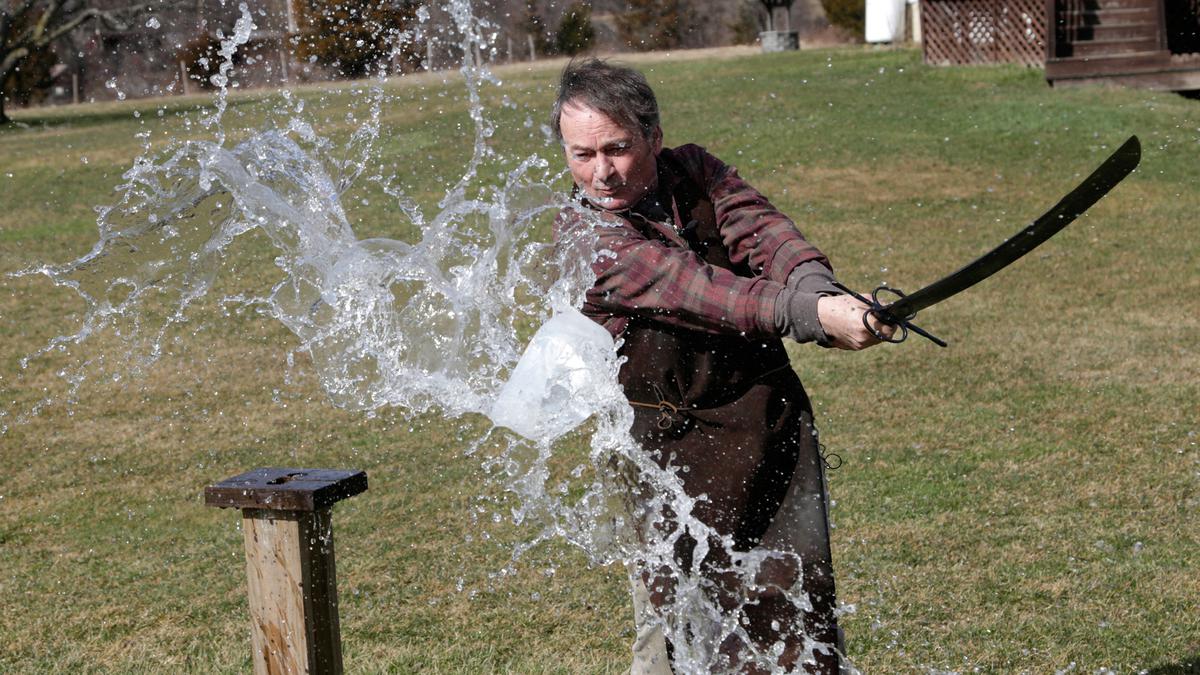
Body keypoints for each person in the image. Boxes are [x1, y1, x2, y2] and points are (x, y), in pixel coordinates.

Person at [551, 58, 894, 674]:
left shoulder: (697, 172)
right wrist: (815, 316)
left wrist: (824, 294)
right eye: (583, 155)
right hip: (665, 455)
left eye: (618, 149)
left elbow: (768, 237)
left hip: (768, 427)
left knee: (802, 618)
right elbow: (704, 292)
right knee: (683, 634)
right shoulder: (586, 237)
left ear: (654, 137)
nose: (601, 172)